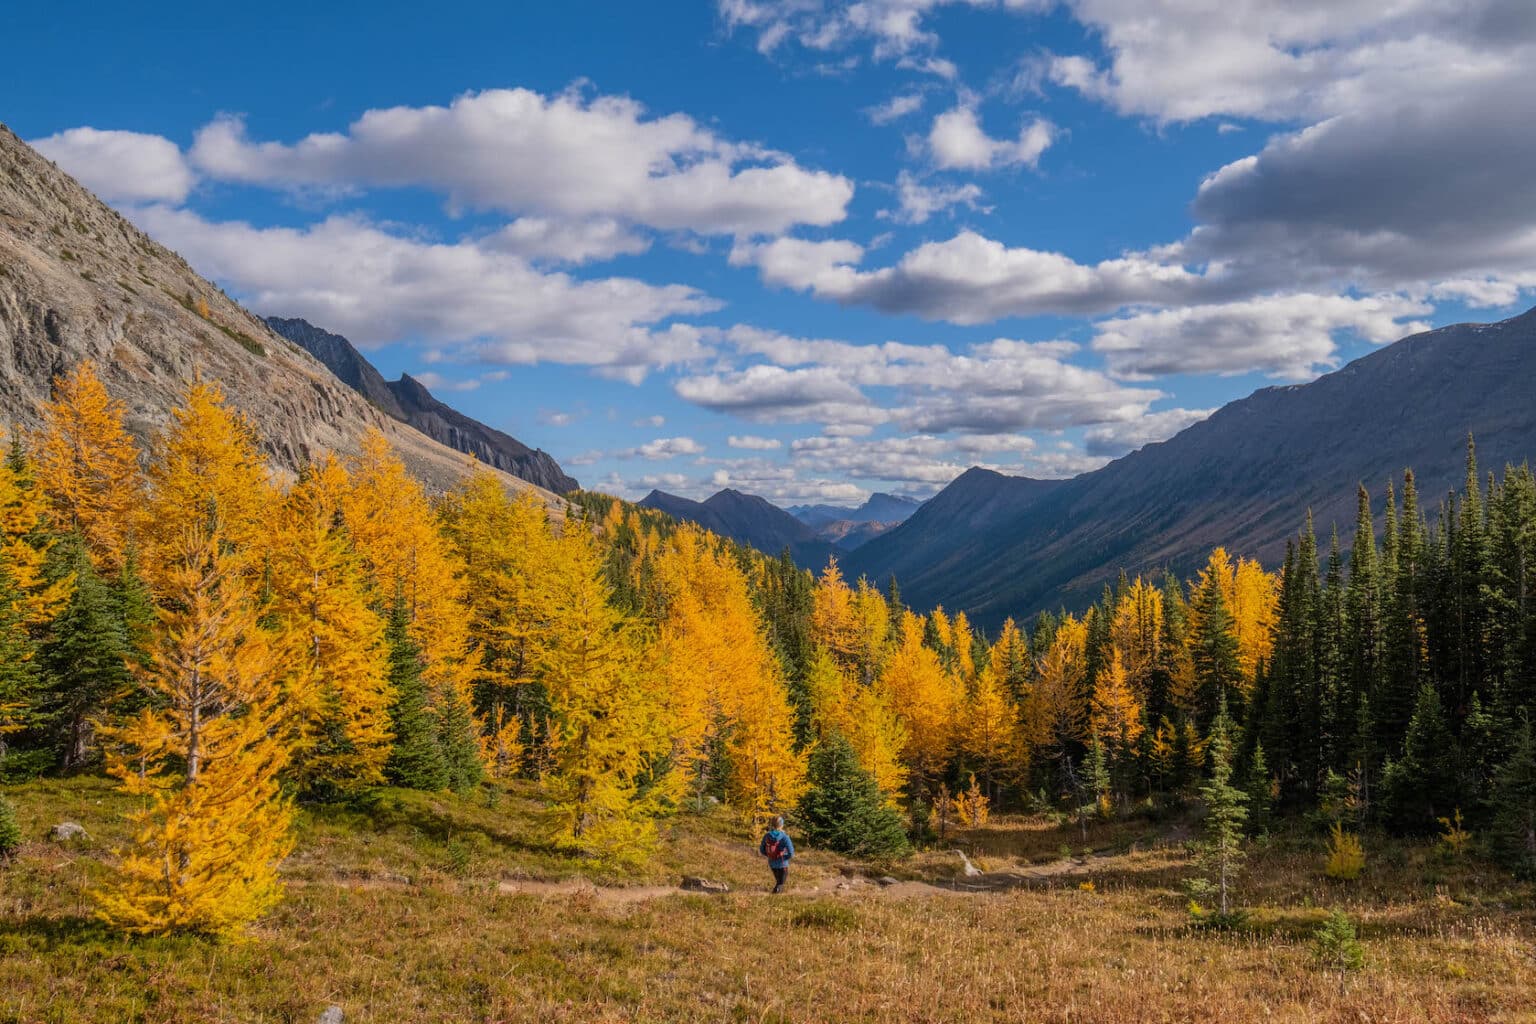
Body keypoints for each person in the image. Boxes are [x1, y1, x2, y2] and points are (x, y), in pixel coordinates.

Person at [759, 815, 794, 894]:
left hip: (772, 863)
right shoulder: (785, 837)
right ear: (782, 825)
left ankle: (776, 895)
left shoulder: (767, 836)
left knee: (779, 882)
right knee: (780, 883)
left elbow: (762, 850)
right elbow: (791, 853)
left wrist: (770, 855)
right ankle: (774, 896)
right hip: (782, 864)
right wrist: (784, 858)